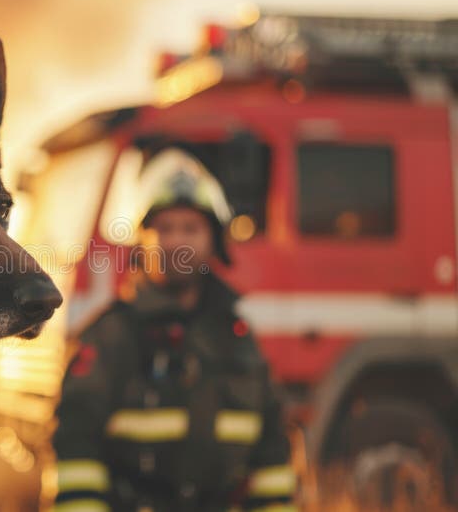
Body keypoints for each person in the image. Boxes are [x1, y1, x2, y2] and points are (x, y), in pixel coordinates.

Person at [51, 149, 297, 512]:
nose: (177, 242)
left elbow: (271, 456)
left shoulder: (239, 338)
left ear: (215, 241)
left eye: (191, 228)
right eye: (164, 229)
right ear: (142, 241)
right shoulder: (111, 336)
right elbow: (76, 450)